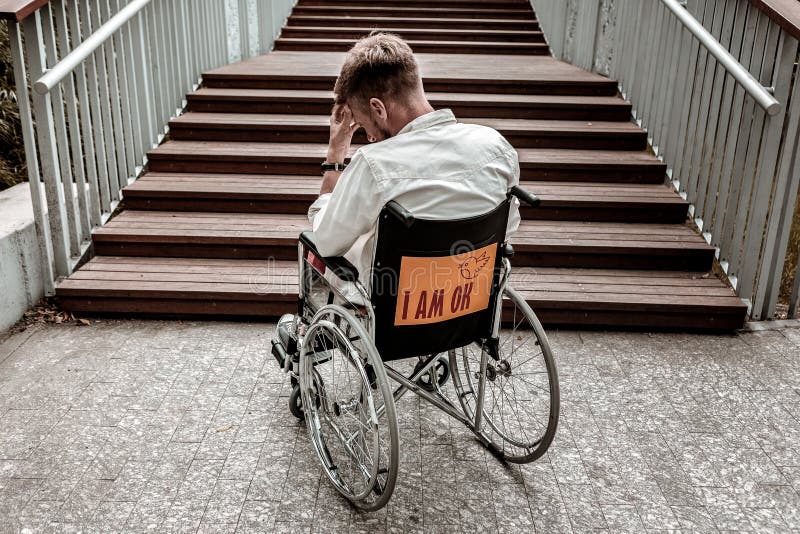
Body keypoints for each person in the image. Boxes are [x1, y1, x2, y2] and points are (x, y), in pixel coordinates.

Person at [307, 32, 521, 297]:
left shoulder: (375, 164)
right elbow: (507, 227)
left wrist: (335, 156)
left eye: (364, 125)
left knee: (336, 241)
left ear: (378, 108)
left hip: (399, 304)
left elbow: (327, 242)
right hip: (468, 295)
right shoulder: (496, 147)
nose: (371, 137)